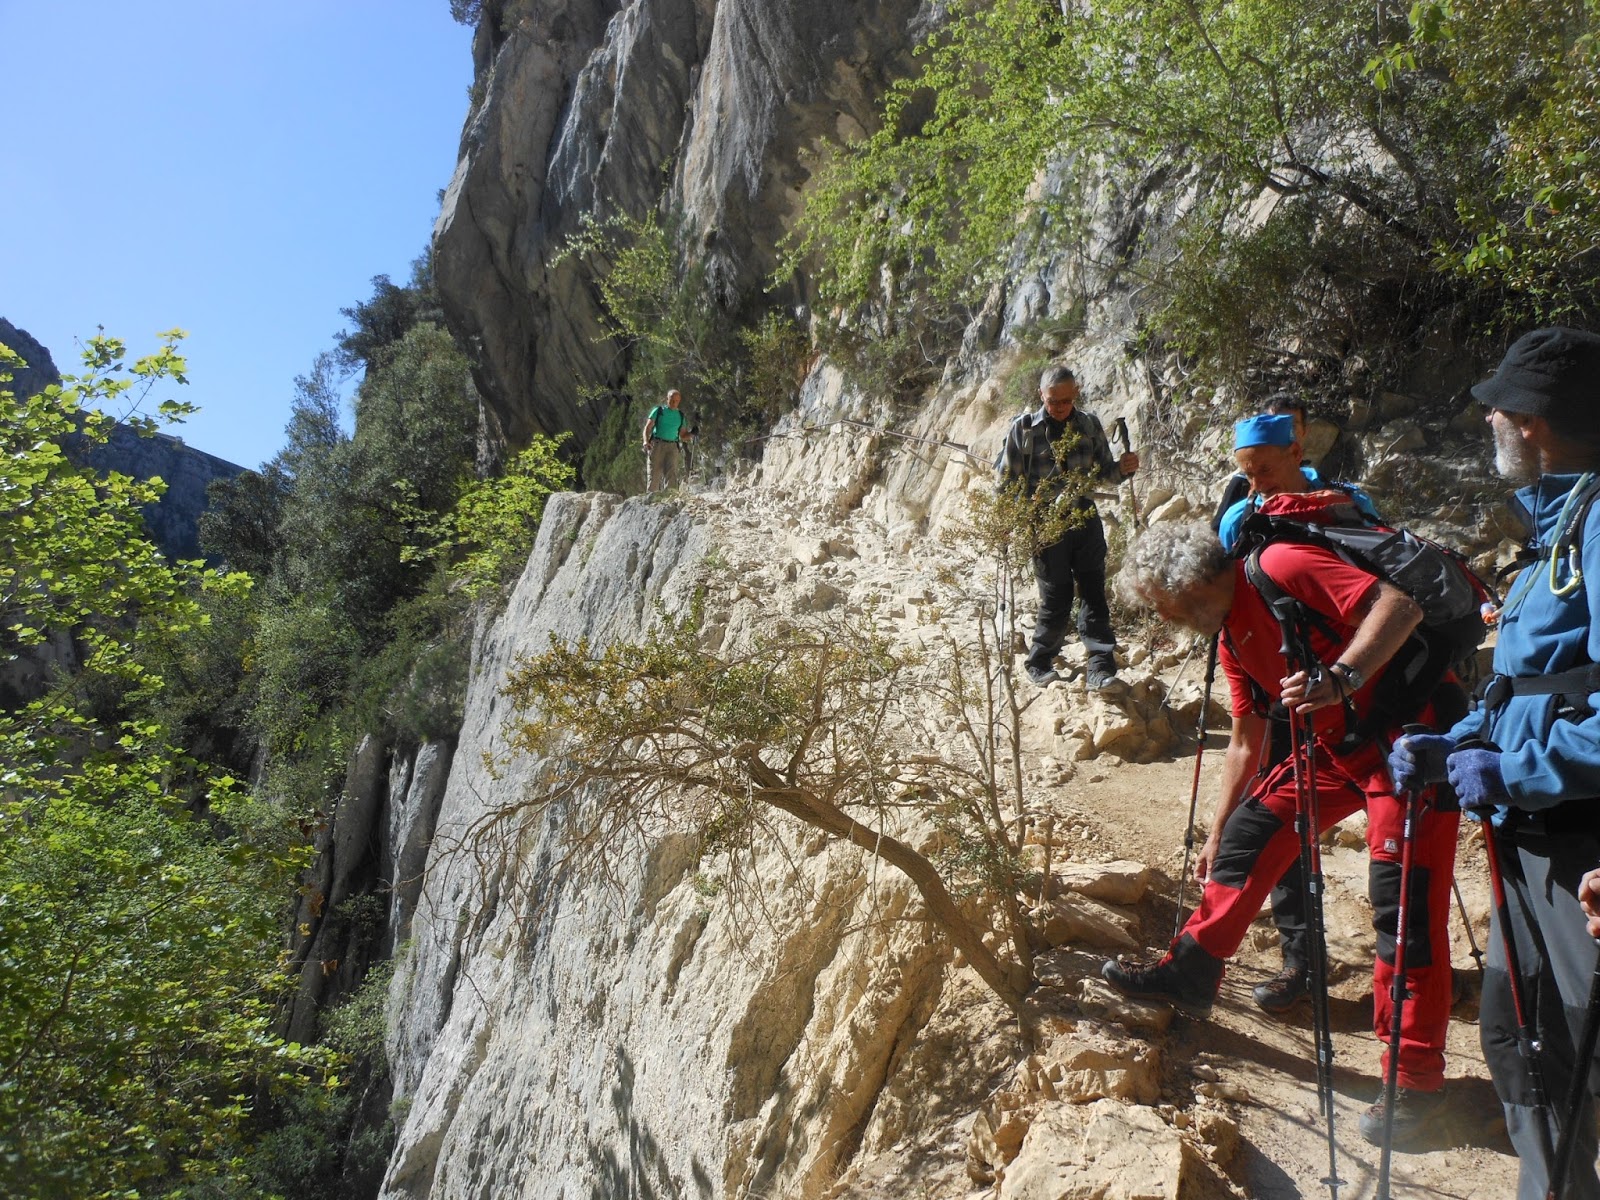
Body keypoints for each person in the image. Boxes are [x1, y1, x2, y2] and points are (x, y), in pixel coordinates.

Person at [1103, 519, 1460, 1146]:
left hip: (1411, 743)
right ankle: (1191, 971)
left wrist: (1339, 678)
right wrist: (1217, 832)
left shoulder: (1282, 566)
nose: (1168, 622)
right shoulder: (1231, 638)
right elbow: (1246, 739)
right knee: (1248, 837)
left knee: (1402, 906)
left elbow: (1398, 607)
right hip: (1338, 751)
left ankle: (1414, 1082)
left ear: (1187, 583)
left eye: (1166, 608)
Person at [1391, 327, 1600, 1199]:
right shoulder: (1560, 522)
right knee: (1522, 1041)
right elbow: (1538, 684)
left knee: (1580, 1045)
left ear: (1535, 420)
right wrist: (1467, 741)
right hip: (1531, 837)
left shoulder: (1595, 527)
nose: (1488, 422)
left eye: (1498, 410)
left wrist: (1511, 772)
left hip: (1577, 844)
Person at [1214, 410, 1383, 1017]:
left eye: (1262, 467)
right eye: (1245, 470)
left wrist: (1347, 675)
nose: (1254, 480)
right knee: (1286, 827)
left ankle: (1401, 970)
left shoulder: (1345, 507)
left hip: (1357, 695)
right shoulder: (1241, 514)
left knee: (1391, 836)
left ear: (1296, 448)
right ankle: (1302, 962)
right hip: (1283, 692)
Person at [996, 364, 1138, 691]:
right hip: (1045, 523)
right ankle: (1039, 661)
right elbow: (1007, 483)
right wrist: (1008, 522)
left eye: (1065, 400)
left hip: (1084, 518)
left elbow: (1105, 472)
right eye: (1052, 401)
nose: (1059, 408)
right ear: (1041, 395)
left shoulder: (1088, 425)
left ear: (1075, 394)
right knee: (1056, 596)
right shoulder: (1024, 430)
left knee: (1093, 590)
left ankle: (1101, 667)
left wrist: (1123, 469)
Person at [642, 388, 687, 492]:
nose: (674, 403)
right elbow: (648, 427)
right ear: (667, 399)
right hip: (657, 444)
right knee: (654, 474)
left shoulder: (680, 415)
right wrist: (646, 441)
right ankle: (651, 499)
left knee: (671, 474)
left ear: (679, 401)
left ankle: (670, 498)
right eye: (671, 400)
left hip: (673, 446)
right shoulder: (659, 411)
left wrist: (692, 433)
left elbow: (683, 435)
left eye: (676, 401)